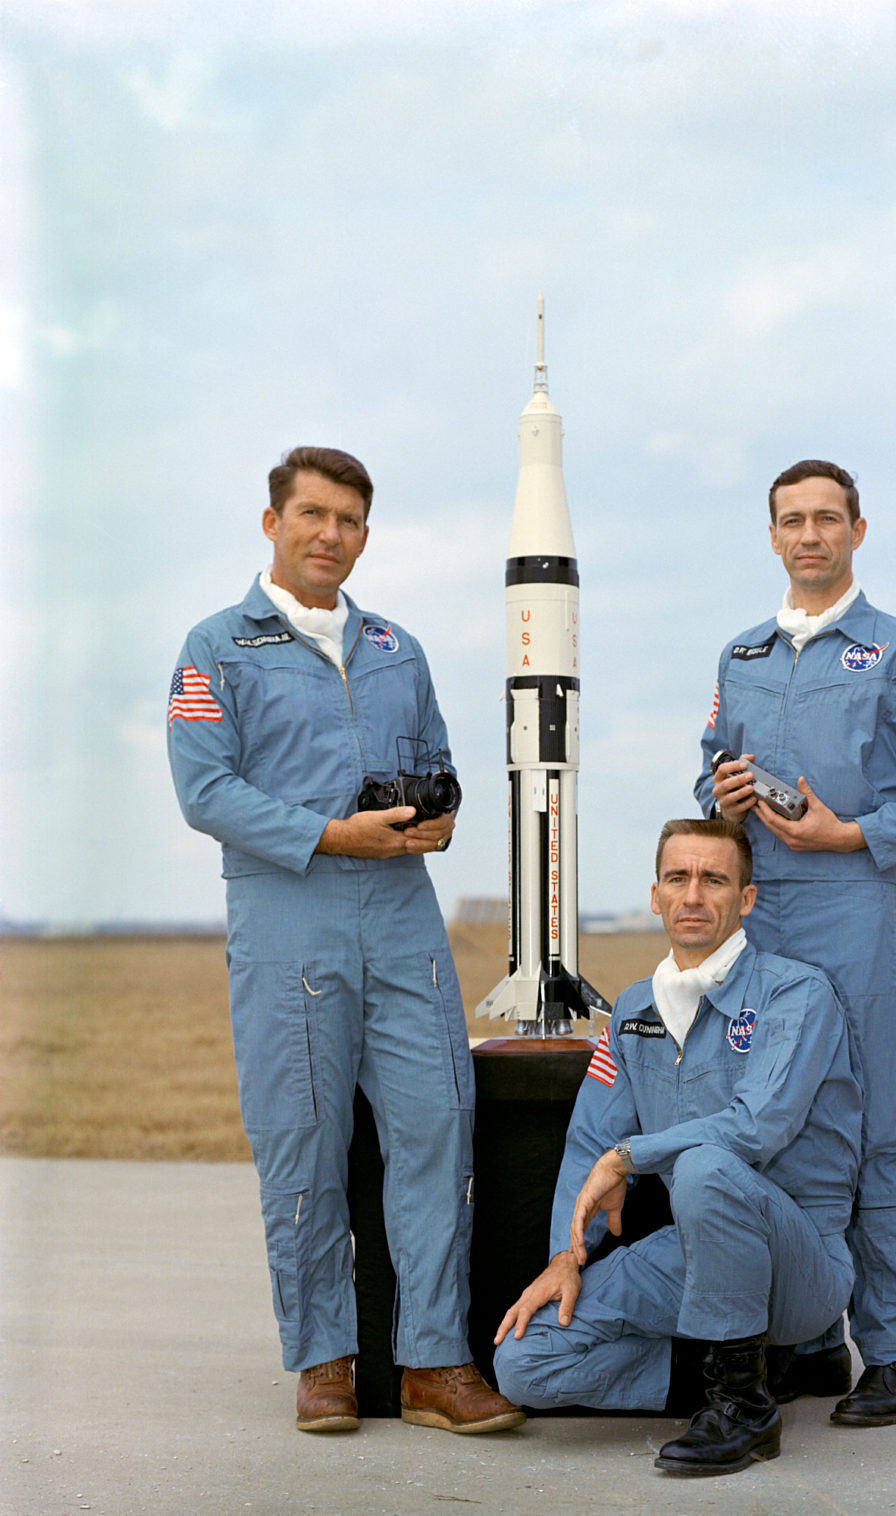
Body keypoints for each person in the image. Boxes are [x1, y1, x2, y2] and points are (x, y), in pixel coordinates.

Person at [167, 446, 523, 1436]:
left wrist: (436, 816)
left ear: (367, 533)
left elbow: (438, 764)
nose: (332, 534)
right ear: (273, 520)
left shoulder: (397, 647)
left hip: (403, 919)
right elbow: (206, 791)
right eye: (314, 514)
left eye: (351, 520)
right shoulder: (215, 648)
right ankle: (324, 1358)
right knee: (305, 1147)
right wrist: (330, 834)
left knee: (437, 1131)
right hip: (290, 924)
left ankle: (436, 1362)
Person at [696, 459, 896, 1427]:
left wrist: (854, 834)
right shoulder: (739, 657)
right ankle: (810, 1337)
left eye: (828, 519)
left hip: (854, 905)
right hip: (759, 921)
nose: (810, 535)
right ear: (773, 535)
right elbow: (708, 775)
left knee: (879, 1139)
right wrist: (723, 798)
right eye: (793, 520)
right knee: (775, 1130)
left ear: (858, 531)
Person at [493, 817, 862, 1478]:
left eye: (714, 879)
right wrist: (564, 1255)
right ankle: (740, 1370)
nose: (693, 895)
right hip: (690, 1254)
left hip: (796, 1265)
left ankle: (745, 1413)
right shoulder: (633, 1011)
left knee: (704, 1166)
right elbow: (590, 1143)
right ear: (657, 895)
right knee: (525, 1361)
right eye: (678, 878)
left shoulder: (796, 995)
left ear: (745, 898)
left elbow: (757, 1126)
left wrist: (628, 1158)